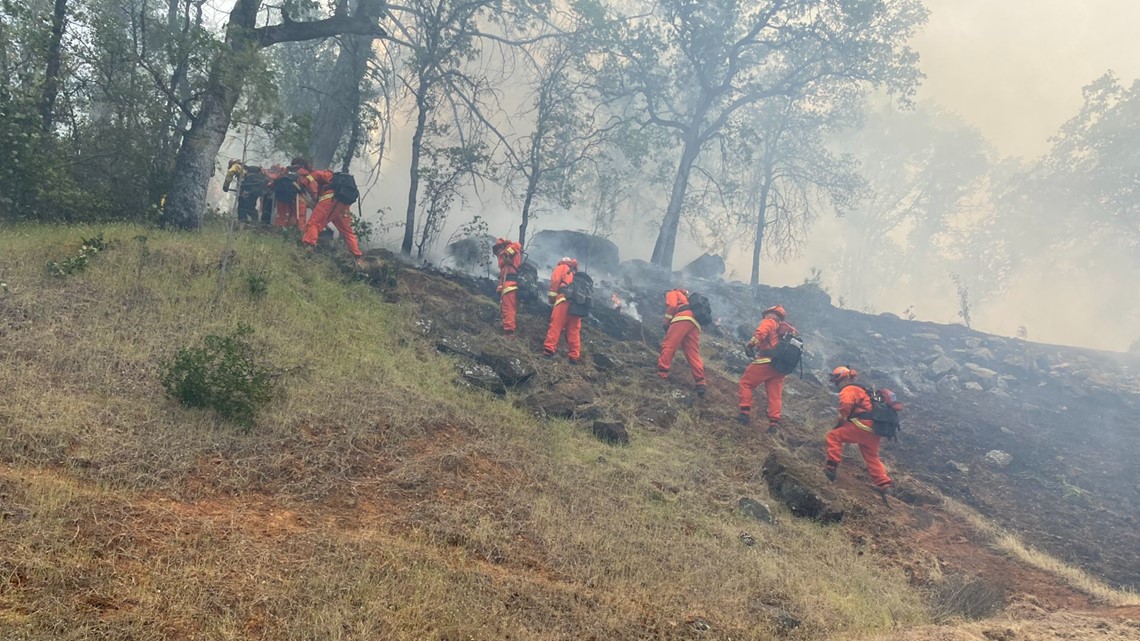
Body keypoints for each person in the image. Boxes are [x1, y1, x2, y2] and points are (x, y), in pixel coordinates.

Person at [825, 366, 895, 497]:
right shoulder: (864, 391)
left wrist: (841, 419)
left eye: (837, 382)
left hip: (862, 425)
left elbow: (846, 404)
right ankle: (885, 485)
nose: (837, 385)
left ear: (843, 379)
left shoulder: (849, 389)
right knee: (872, 457)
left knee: (833, 436)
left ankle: (831, 468)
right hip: (874, 430)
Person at [737, 305, 794, 434]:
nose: (765, 316)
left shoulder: (770, 322)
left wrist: (751, 344)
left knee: (745, 383)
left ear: (771, 313)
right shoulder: (785, 331)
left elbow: (761, 332)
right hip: (779, 367)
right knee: (775, 396)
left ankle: (744, 414)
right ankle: (773, 424)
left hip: (766, 362)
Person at [295, 169, 365, 266]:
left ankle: (309, 246)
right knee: (347, 232)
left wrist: (304, 182)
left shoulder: (329, 175)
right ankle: (358, 257)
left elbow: (316, 174)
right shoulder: (343, 184)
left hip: (330, 200)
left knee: (314, 223)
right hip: (344, 206)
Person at [657, 288, 706, 396]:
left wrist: (666, 322)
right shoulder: (686, 298)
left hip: (682, 318)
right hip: (694, 323)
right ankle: (700, 383)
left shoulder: (672, 293)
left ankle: (662, 372)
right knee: (692, 353)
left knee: (669, 345)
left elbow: (672, 306)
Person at [543, 257, 581, 363]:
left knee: (556, 325)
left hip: (563, 300)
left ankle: (548, 351)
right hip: (577, 305)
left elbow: (555, 281)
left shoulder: (562, 266)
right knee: (574, 331)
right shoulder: (576, 273)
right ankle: (574, 357)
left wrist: (552, 297)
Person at [492, 238, 523, 335]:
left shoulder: (510, 249)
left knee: (508, 308)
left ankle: (509, 332)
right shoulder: (504, 262)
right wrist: (500, 288)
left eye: (498, 249)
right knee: (506, 307)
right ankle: (506, 326)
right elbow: (503, 275)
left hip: (510, 284)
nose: (497, 252)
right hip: (506, 284)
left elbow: (517, 245)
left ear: (502, 246)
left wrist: (507, 253)